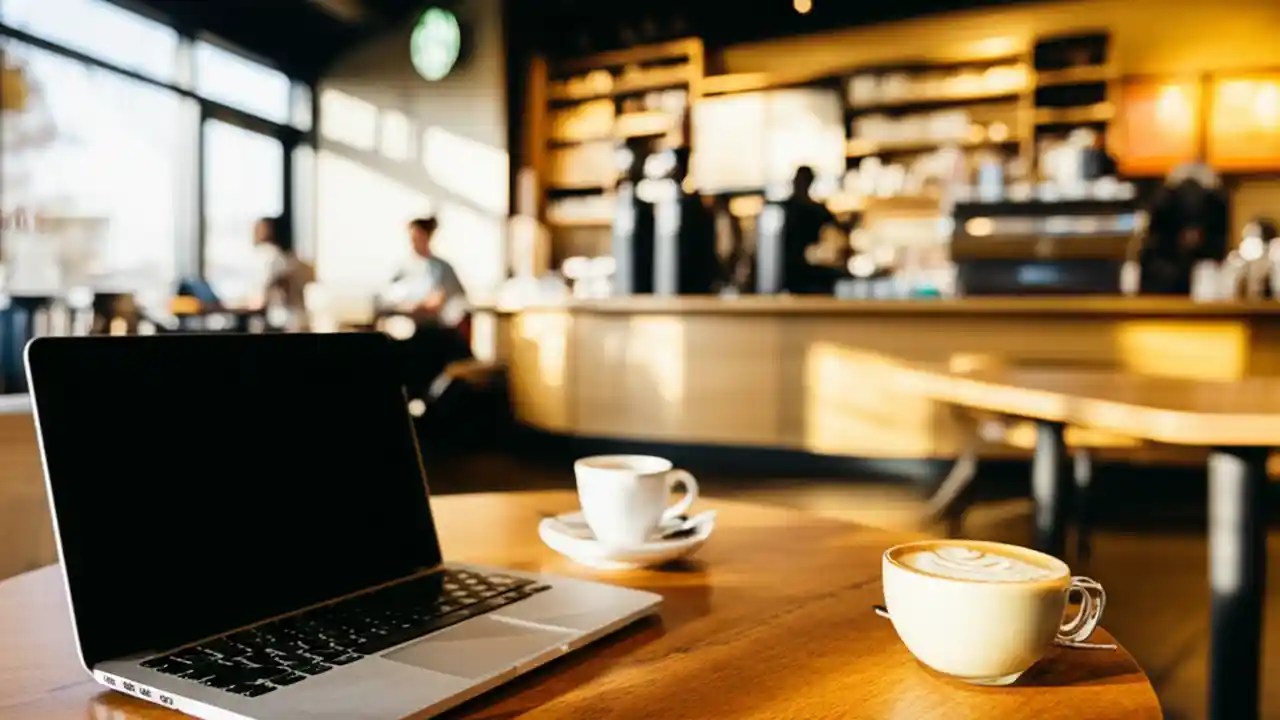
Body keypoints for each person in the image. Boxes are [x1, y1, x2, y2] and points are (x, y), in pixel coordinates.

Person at [380, 217, 472, 400]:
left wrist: (424, 306)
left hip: (432, 334)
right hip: (404, 332)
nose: (414, 242)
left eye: (418, 237)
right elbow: (388, 297)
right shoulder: (403, 267)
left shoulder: (441, 268)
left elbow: (445, 299)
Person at [781, 166, 839, 294]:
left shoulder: (784, 209)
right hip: (795, 276)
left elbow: (834, 243)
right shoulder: (817, 211)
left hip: (805, 276)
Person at [253, 215, 315, 329]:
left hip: (284, 319)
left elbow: (268, 292)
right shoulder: (289, 259)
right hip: (296, 318)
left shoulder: (272, 257)